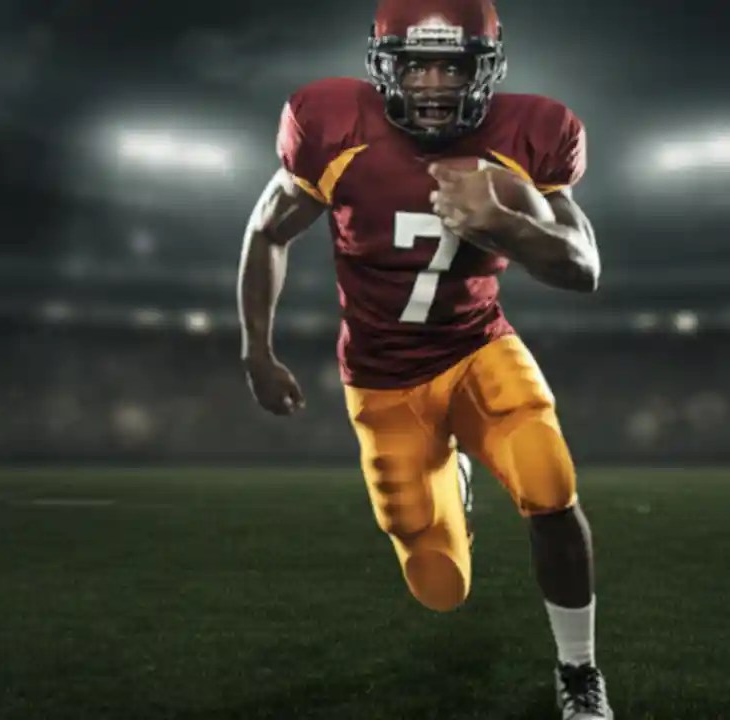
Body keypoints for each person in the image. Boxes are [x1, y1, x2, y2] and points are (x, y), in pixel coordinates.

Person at [237, 1, 611, 717]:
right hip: (381, 378)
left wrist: (503, 222)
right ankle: (451, 491)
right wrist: (258, 349)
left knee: (551, 486)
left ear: (486, 68)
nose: (435, 84)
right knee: (440, 582)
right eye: (418, 65)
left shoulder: (530, 133)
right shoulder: (331, 126)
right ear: (386, 67)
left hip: (478, 348)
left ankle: (579, 673)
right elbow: (267, 231)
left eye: (454, 64)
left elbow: (583, 266)